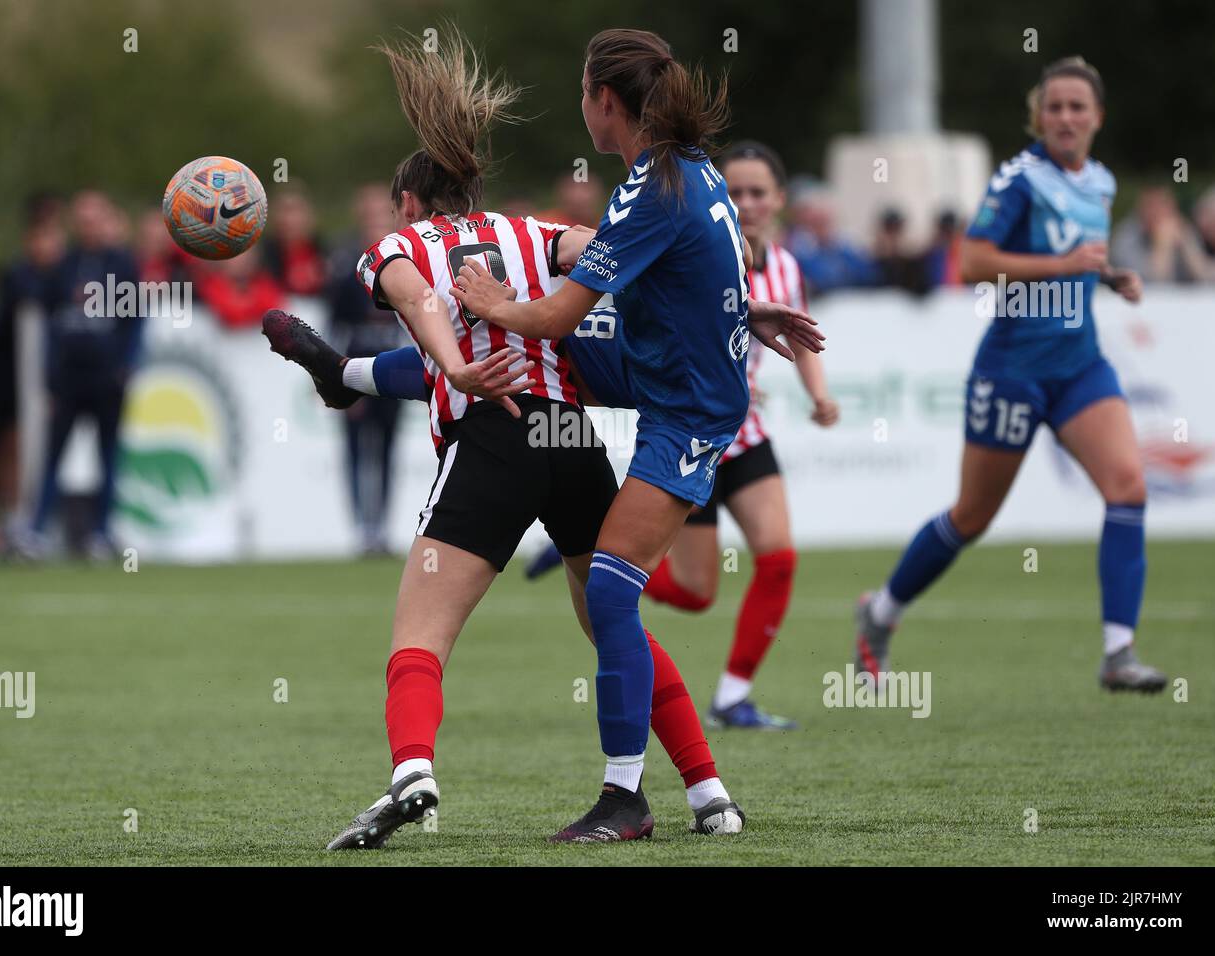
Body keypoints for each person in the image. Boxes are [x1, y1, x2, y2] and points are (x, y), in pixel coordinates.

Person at [261, 29, 813, 848]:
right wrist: (731, 303)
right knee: (612, 615)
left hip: (513, 433)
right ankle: (709, 789)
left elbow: (421, 308)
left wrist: (459, 353)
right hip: (572, 431)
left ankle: (420, 773)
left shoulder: (404, 241)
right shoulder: (533, 231)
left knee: (427, 631)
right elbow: (621, 261)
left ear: (408, 202)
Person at [451, 28, 823, 840]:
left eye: (585, 92)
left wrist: (485, 302)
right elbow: (700, 269)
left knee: (614, 595)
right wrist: (743, 311)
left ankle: (626, 799)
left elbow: (553, 315)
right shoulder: (685, 171)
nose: (582, 105)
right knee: (515, 359)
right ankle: (707, 799)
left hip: (688, 409)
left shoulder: (653, 189)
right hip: (655, 367)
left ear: (605, 102)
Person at [852, 57, 1166, 693]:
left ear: (1097, 117)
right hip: (1013, 370)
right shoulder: (1019, 179)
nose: (1066, 118)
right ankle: (880, 611)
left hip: (1080, 366)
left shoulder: (1100, 182)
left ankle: (1118, 654)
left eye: (1078, 107)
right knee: (972, 516)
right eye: (1055, 107)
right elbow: (970, 261)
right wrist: (1064, 264)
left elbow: (1077, 259)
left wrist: (1106, 276)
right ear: (1038, 116)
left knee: (1128, 486)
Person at [528, 141, 839, 730]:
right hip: (687, 431)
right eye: (737, 190)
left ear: (778, 200)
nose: (745, 202)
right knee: (697, 593)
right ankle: (599, 559)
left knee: (778, 558)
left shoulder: (786, 266)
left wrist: (819, 395)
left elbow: (797, 335)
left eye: (757, 192)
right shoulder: (687, 238)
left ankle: (732, 697)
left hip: (742, 433)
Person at [26, 190, 143, 559]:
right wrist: (49, 377)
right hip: (69, 380)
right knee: (53, 457)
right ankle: (36, 532)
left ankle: (101, 534)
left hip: (107, 379)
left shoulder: (123, 264)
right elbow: (49, 322)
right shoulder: (64, 266)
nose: (89, 226)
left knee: (107, 457)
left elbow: (136, 322)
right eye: (83, 219)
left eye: (95, 218)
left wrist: (128, 366)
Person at [0, 194, 66, 554]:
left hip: (31, 377)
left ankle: (15, 520)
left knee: (18, 443)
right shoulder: (17, 274)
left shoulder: (60, 276)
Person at [324, 184, 405, 554]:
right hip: (355, 367)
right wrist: (333, 376)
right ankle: (361, 527)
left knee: (387, 450)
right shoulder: (345, 268)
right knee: (357, 449)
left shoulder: (405, 263)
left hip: (391, 370)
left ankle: (381, 527)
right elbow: (334, 328)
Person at [1110, 186, 1210, 284]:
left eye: (1163, 206)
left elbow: (1204, 279)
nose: (1155, 213)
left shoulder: (1183, 231)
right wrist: (1162, 246)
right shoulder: (1125, 238)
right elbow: (1150, 284)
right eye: (1151, 206)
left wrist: (1188, 246)